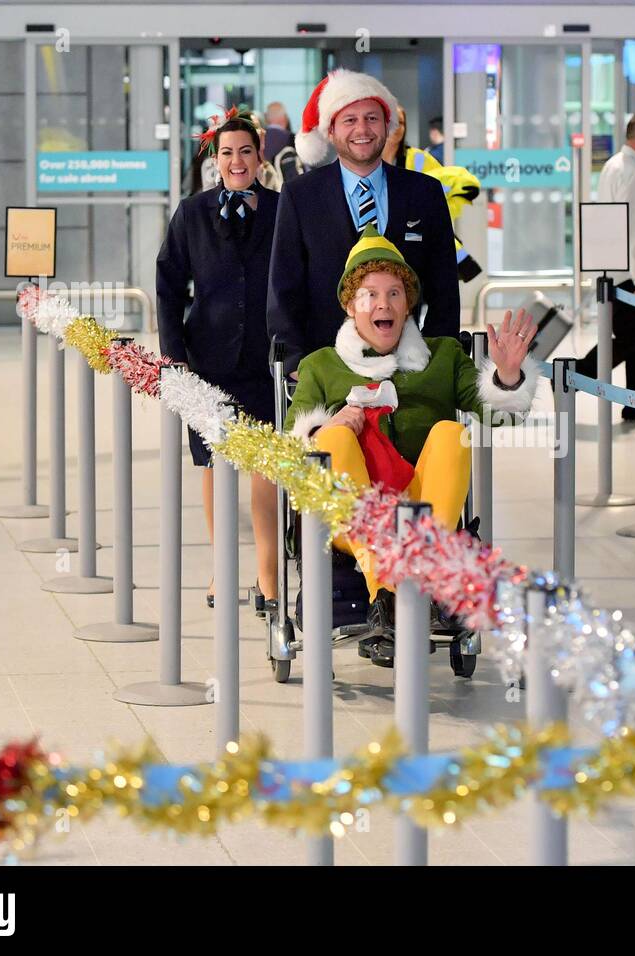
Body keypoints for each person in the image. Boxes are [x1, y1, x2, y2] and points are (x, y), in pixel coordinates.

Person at [285, 226, 539, 666]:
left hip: (421, 512)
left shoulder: (442, 357)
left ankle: (416, 578)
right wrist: (330, 424)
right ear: (350, 305)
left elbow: (498, 414)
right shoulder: (320, 366)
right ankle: (390, 587)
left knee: (450, 432)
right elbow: (291, 451)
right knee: (332, 438)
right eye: (369, 294)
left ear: (408, 305)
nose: (383, 304)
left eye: (395, 293)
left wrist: (508, 379)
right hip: (350, 522)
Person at [156, 109, 281, 611]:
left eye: (245, 152)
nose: (236, 161)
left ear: (259, 157)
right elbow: (167, 286)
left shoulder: (282, 208)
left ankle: (268, 576)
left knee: (266, 466)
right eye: (226, 152)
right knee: (215, 461)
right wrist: (174, 356)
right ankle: (222, 569)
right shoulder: (192, 213)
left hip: (266, 357)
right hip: (208, 359)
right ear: (214, 158)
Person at [266, 70, 461, 379]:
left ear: (387, 125)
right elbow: (284, 285)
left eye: (372, 118)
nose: (362, 129)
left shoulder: (424, 192)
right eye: (349, 120)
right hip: (326, 371)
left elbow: (444, 289)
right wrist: (294, 363)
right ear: (330, 131)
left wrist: (436, 358)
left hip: (409, 371)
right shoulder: (300, 195)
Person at [576, 110, 635, 424]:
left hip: (620, 269)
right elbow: (632, 228)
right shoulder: (632, 171)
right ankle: (577, 373)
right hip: (629, 274)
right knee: (632, 340)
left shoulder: (618, 165)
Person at [383, 106, 485, 282]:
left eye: (401, 122)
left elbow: (439, 187)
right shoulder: (367, 161)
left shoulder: (417, 158)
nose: (397, 128)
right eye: (392, 122)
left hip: (414, 238)